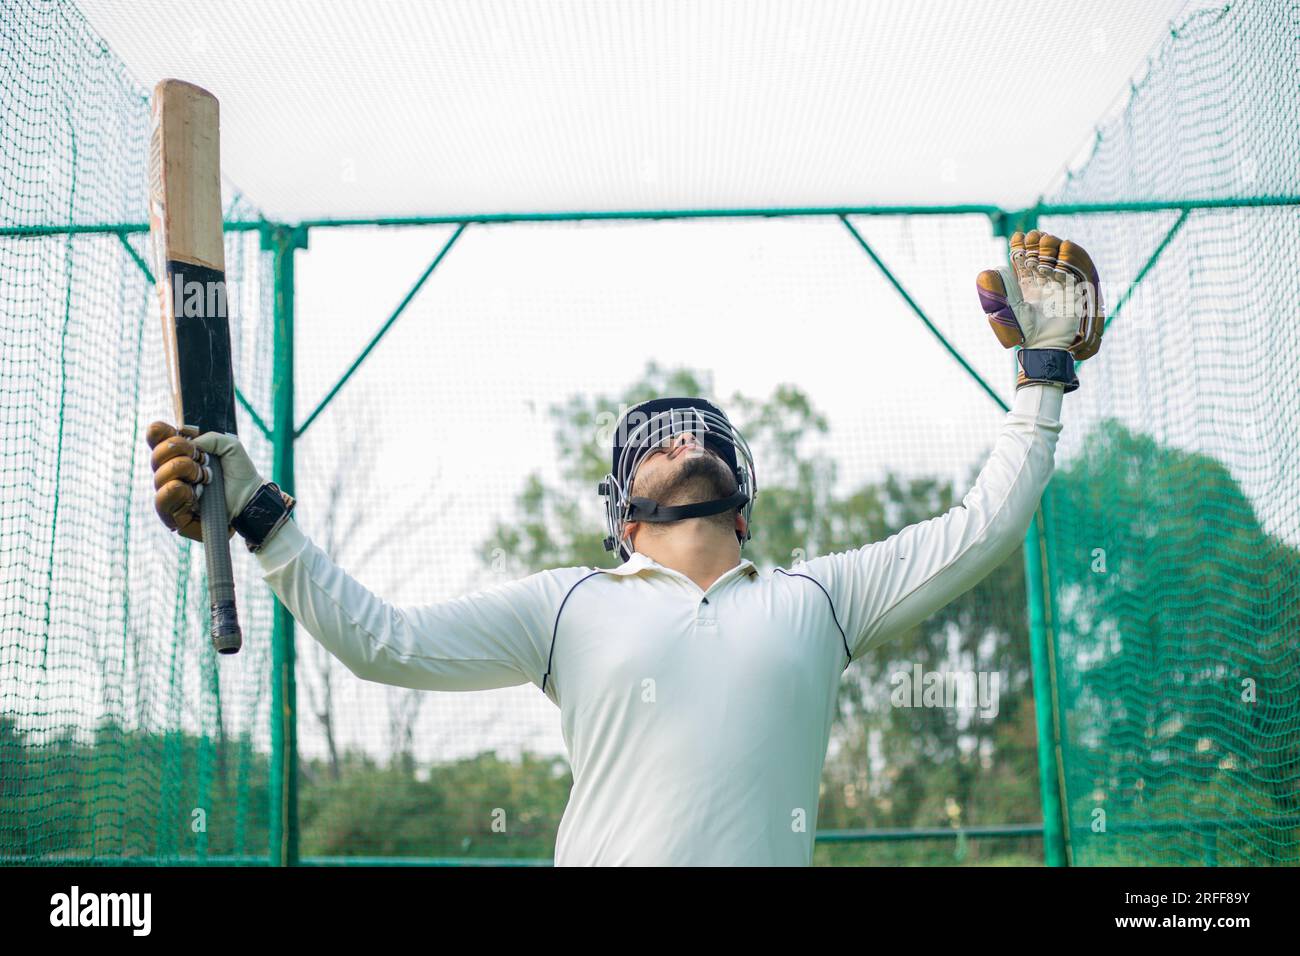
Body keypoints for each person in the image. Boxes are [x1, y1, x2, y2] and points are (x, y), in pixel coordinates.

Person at [147, 231, 1103, 865]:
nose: (682, 440)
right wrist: (262, 518)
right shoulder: (569, 607)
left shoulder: (819, 600)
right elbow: (383, 642)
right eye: (651, 441)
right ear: (623, 517)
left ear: (743, 502)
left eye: (703, 433)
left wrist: (1044, 378)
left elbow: (988, 522)